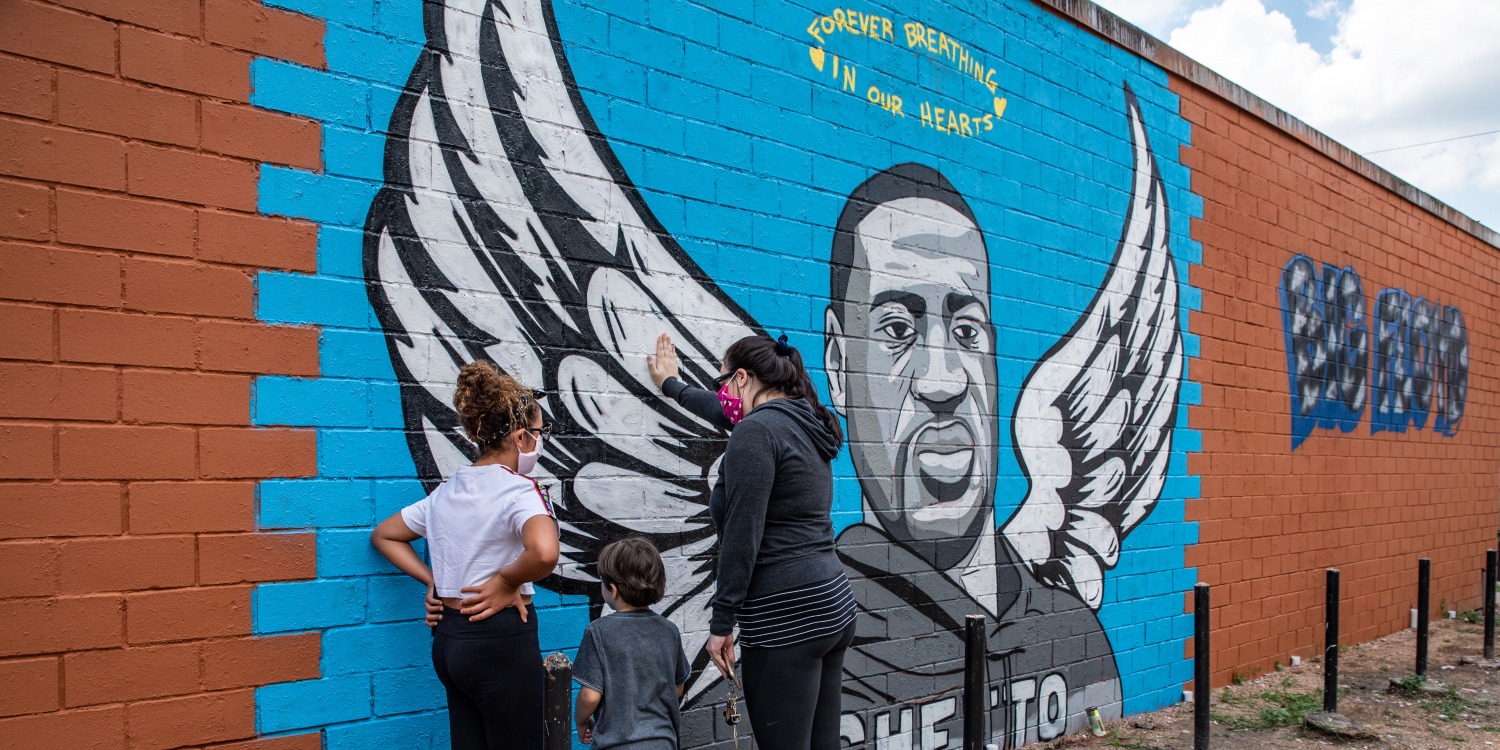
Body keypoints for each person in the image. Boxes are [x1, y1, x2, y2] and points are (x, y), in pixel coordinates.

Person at [822, 164, 1120, 746]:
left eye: (966, 330)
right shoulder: (808, 654)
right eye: (897, 328)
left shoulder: (1077, 637)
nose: (943, 380)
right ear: (837, 365)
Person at [647, 332, 855, 750]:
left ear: (742, 378)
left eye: (722, 383)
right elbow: (726, 413)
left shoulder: (757, 433)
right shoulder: (803, 418)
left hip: (786, 616)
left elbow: (743, 536)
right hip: (832, 604)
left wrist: (722, 624)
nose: (720, 395)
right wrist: (672, 385)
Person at [370, 360, 560, 750]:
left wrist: (433, 580)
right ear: (522, 438)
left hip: (450, 641)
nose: (542, 441)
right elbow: (544, 552)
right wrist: (507, 580)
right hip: (499, 641)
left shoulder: (446, 490)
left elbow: (385, 535)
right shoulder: (521, 489)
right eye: (542, 432)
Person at [572, 537, 692, 749]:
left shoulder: (598, 632)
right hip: (664, 742)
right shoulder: (669, 631)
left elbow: (590, 696)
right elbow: (678, 687)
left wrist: (580, 721)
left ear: (613, 589)